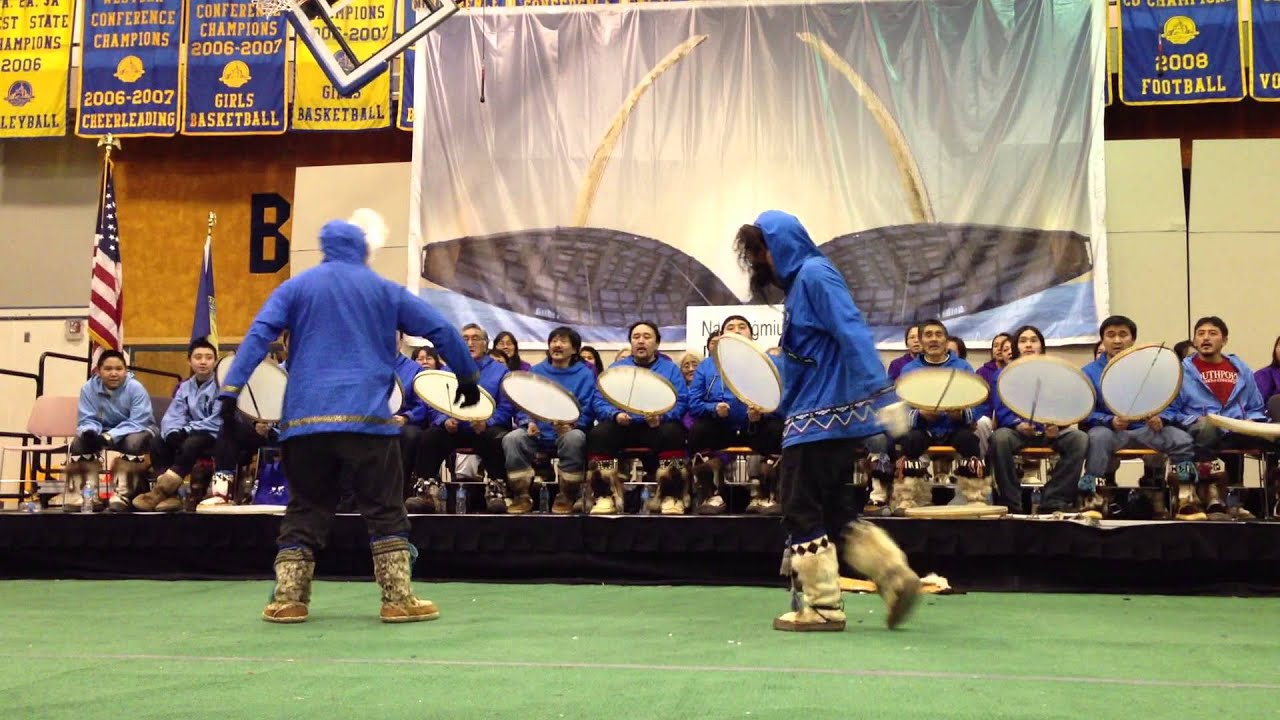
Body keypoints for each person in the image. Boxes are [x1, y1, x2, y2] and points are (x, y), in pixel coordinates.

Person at [218, 210, 479, 625]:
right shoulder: (384, 289)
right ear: (362, 249)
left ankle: (289, 599)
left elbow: (258, 335)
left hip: (303, 424)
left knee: (305, 506)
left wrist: (231, 390)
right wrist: (466, 376)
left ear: (324, 247)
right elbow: (442, 330)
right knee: (384, 508)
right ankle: (397, 598)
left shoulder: (295, 288)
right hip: (368, 422)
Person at [735, 210, 918, 632]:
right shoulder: (803, 285)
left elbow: (851, 328)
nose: (762, 262)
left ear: (779, 243)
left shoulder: (815, 276)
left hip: (818, 421)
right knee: (834, 511)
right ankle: (894, 577)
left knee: (800, 506)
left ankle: (822, 607)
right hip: (820, 417)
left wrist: (883, 393)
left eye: (762, 251)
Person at [1078, 316, 1195, 519]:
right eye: (1111, 335)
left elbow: (1173, 402)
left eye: (1123, 335)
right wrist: (1108, 421)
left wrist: (1162, 418)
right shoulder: (1088, 372)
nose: (1117, 341)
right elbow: (1084, 411)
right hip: (1112, 430)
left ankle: (1185, 497)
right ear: (1103, 340)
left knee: (1182, 439)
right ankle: (1093, 497)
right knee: (1097, 437)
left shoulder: (1152, 368)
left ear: (1133, 339)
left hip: (1148, 429)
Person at [138, 338, 274, 513]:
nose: (203, 362)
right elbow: (173, 415)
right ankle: (171, 496)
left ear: (215, 361)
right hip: (192, 433)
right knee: (158, 442)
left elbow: (218, 419)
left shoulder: (224, 385)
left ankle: (162, 491)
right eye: (198, 357)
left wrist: (186, 430)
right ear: (189, 360)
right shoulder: (185, 387)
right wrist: (173, 431)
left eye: (209, 357)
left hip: (216, 436)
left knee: (192, 443)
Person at [1166, 316, 1266, 520]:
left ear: (1224, 340)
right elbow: (1170, 411)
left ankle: (1248, 499)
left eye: (1212, 333)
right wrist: (1192, 420)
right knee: (1207, 429)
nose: (1206, 338)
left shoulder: (1241, 369)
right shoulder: (1180, 372)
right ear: (1194, 341)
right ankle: (1211, 497)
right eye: (1200, 334)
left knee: (1272, 437)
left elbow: (1256, 406)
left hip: (1235, 426)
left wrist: (1253, 421)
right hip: (1199, 427)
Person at [408, 324, 514, 514]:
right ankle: (425, 493)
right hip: (454, 429)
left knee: (496, 438)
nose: (470, 343)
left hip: (485, 429)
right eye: (465, 339)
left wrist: (487, 423)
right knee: (429, 437)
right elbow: (433, 404)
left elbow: (506, 408)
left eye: (475, 338)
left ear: (485, 344)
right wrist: (443, 420)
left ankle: (496, 493)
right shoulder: (447, 371)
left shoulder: (500, 372)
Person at [687, 314, 785, 515]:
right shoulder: (707, 365)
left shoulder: (771, 363)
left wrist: (764, 413)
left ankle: (766, 495)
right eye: (730, 327)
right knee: (698, 430)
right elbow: (694, 404)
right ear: (722, 336)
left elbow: (785, 401)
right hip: (722, 426)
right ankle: (711, 495)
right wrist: (713, 409)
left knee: (778, 430)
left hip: (756, 426)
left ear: (751, 335)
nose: (736, 330)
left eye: (742, 326)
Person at [588, 321, 689, 514]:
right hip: (623, 426)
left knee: (673, 433)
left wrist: (662, 417)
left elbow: (682, 402)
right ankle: (604, 495)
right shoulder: (617, 369)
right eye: (636, 337)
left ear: (657, 344)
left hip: (656, 426)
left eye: (647, 337)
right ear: (631, 343)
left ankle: (671, 496)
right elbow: (599, 401)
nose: (641, 341)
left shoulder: (670, 370)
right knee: (599, 433)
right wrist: (615, 415)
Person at [987, 325, 1088, 514]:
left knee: (1079, 438)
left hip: (1049, 432)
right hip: (1017, 433)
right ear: (1016, 347)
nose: (1028, 345)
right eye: (1023, 341)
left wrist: (1057, 426)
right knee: (999, 438)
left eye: (1033, 340)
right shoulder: (1002, 374)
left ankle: (1054, 499)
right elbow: (1001, 411)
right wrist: (1018, 425)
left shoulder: (1055, 373)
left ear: (1041, 346)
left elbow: (1063, 406)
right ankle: (1011, 501)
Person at [501, 326, 596, 513]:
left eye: (563, 341)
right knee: (511, 439)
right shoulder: (536, 371)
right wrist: (528, 422)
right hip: (537, 432)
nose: (557, 345)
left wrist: (573, 425)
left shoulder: (584, 374)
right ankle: (521, 495)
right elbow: (522, 404)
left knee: (575, 438)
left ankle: (567, 494)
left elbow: (588, 409)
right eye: (554, 341)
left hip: (568, 432)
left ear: (575, 349)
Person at [896, 319, 986, 510]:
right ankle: (908, 497)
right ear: (920, 341)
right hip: (924, 430)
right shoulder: (909, 371)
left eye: (939, 334)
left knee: (969, 440)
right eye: (928, 335)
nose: (934, 339)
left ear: (946, 340)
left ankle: (974, 496)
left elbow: (978, 403)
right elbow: (902, 407)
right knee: (910, 441)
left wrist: (962, 415)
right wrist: (920, 414)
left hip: (954, 429)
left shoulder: (963, 368)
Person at [67, 350, 156, 513]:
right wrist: (89, 432)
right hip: (103, 431)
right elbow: (86, 418)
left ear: (126, 370)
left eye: (119, 368)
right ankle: (87, 495)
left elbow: (139, 421)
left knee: (133, 442)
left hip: (138, 430)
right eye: (108, 369)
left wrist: (109, 436)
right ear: (98, 371)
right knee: (79, 442)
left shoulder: (136, 388)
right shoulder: (88, 389)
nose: (114, 373)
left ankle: (123, 494)